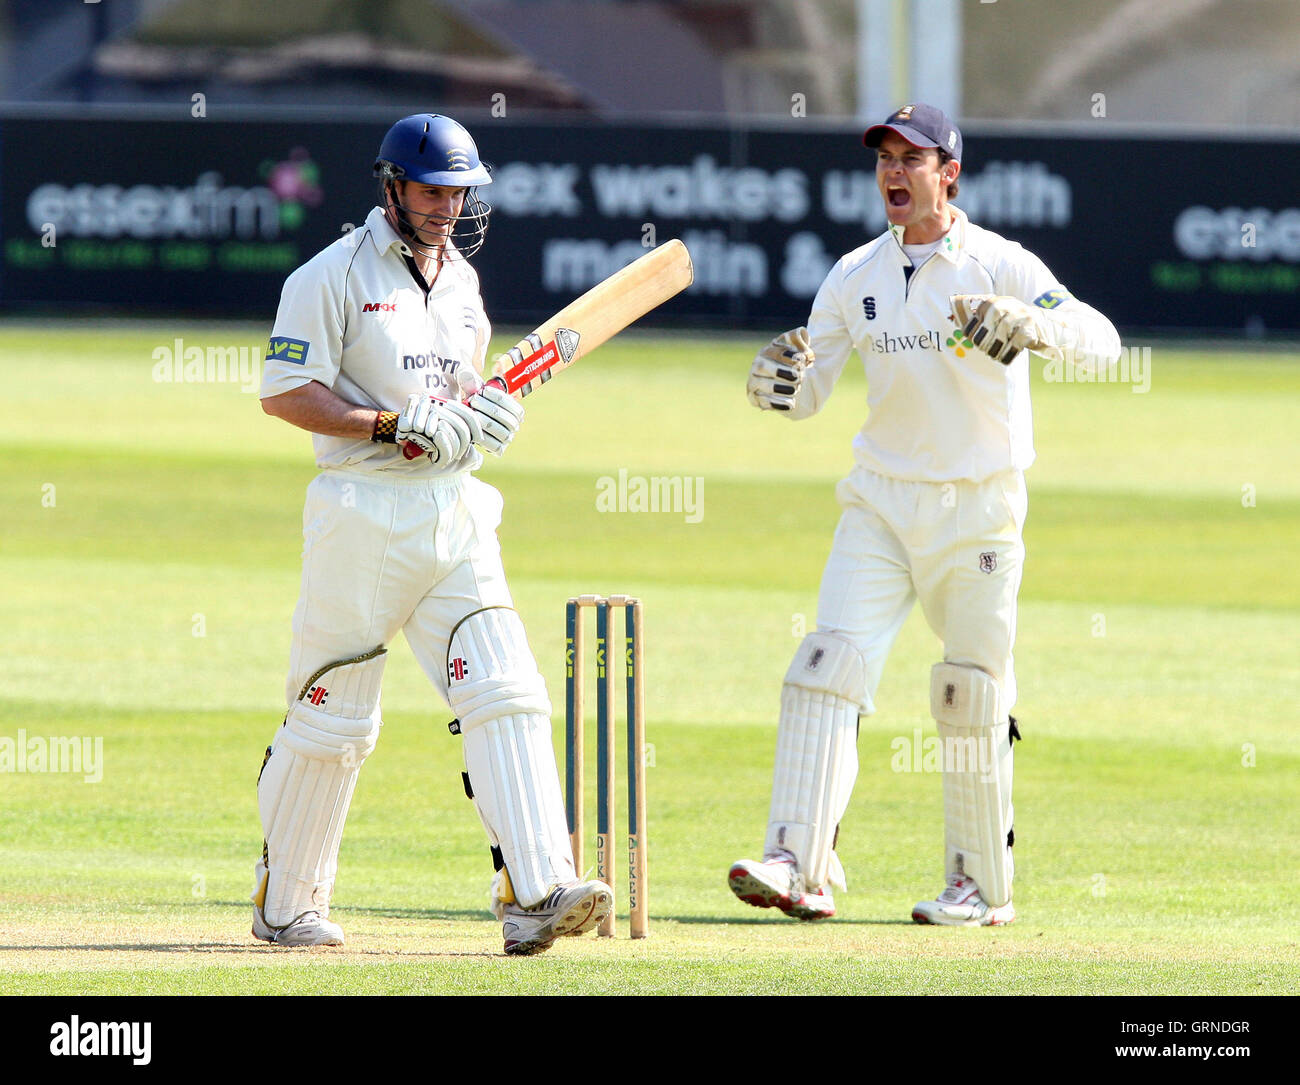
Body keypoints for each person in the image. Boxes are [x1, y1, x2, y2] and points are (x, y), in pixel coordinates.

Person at [729, 104, 1120, 926]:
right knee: (826, 663)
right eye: (884, 159)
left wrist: (1033, 324)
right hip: (880, 502)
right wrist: (778, 384)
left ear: (950, 173)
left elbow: (1104, 340)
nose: (894, 172)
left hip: (978, 506)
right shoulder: (853, 275)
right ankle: (795, 862)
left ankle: (979, 886)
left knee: (968, 691)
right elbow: (810, 388)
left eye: (913, 158)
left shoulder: (999, 262)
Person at [252, 112, 612, 954]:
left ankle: (535, 889)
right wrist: (387, 425)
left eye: (461, 191)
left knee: (507, 686)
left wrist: (485, 416)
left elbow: (458, 392)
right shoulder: (330, 274)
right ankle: (287, 901)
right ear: (392, 187)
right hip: (361, 509)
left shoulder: (464, 286)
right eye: (433, 189)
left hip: (455, 509)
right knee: (337, 714)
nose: (449, 206)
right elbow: (283, 391)